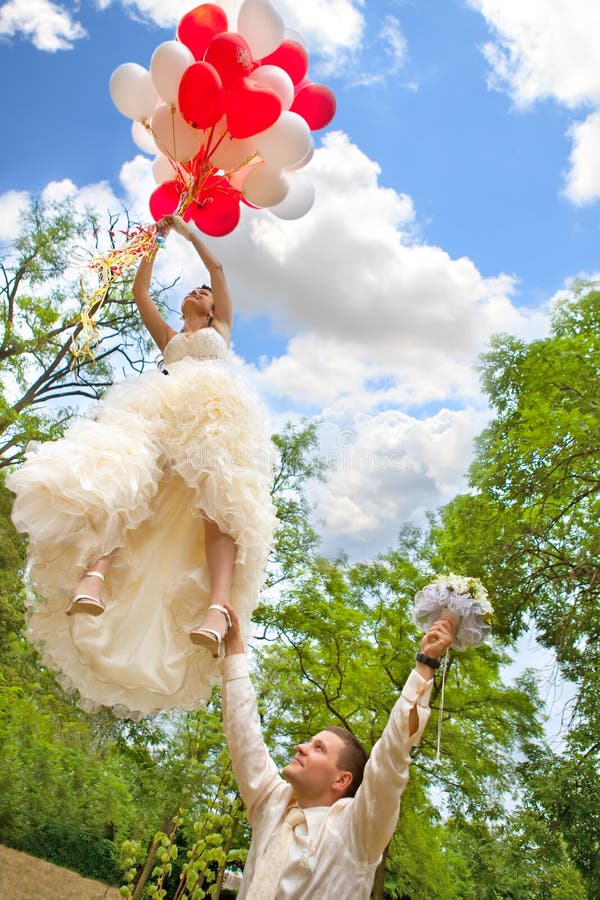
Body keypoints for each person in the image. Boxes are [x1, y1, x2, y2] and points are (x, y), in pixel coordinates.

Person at [7, 215, 276, 718]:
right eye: (194, 289)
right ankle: (96, 575)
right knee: (129, 484)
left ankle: (217, 610)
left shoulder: (221, 328)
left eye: (205, 291)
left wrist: (188, 230)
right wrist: (155, 239)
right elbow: (139, 291)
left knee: (217, 505)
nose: (199, 290)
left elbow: (216, 265)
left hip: (213, 417)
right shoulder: (171, 338)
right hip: (162, 413)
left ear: (215, 308)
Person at [220, 604, 456, 900]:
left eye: (318, 748)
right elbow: (244, 735)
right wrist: (234, 650)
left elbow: (391, 756)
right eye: (309, 741)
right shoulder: (272, 804)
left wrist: (425, 663)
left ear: (341, 780)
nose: (300, 747)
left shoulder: (358, 831)